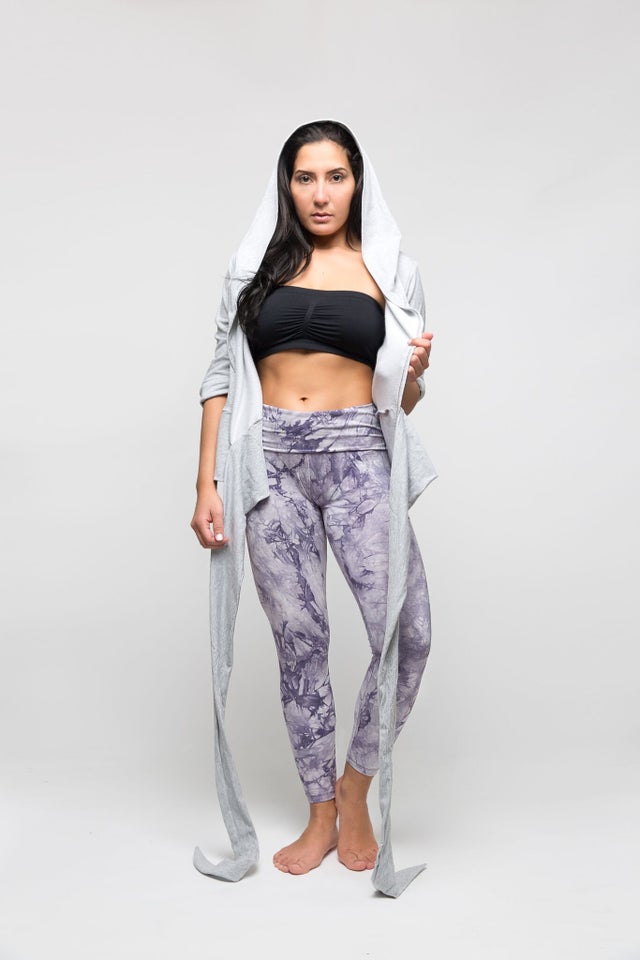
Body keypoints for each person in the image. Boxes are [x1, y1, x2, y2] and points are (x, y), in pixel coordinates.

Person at [190, 120, 439, 898]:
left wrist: (415, 372)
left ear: (358, 183)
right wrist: (207, 484)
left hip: (359, 455)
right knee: (300, 643)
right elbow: (220, 376)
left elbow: (404, 401)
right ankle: (322, 812)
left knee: (410, 631)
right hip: (271, 463)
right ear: (287, 185)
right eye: (305, 177)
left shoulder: (390, 270)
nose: (321, 193)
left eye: (336, 176)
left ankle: (356, 788)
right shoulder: (253, 270)